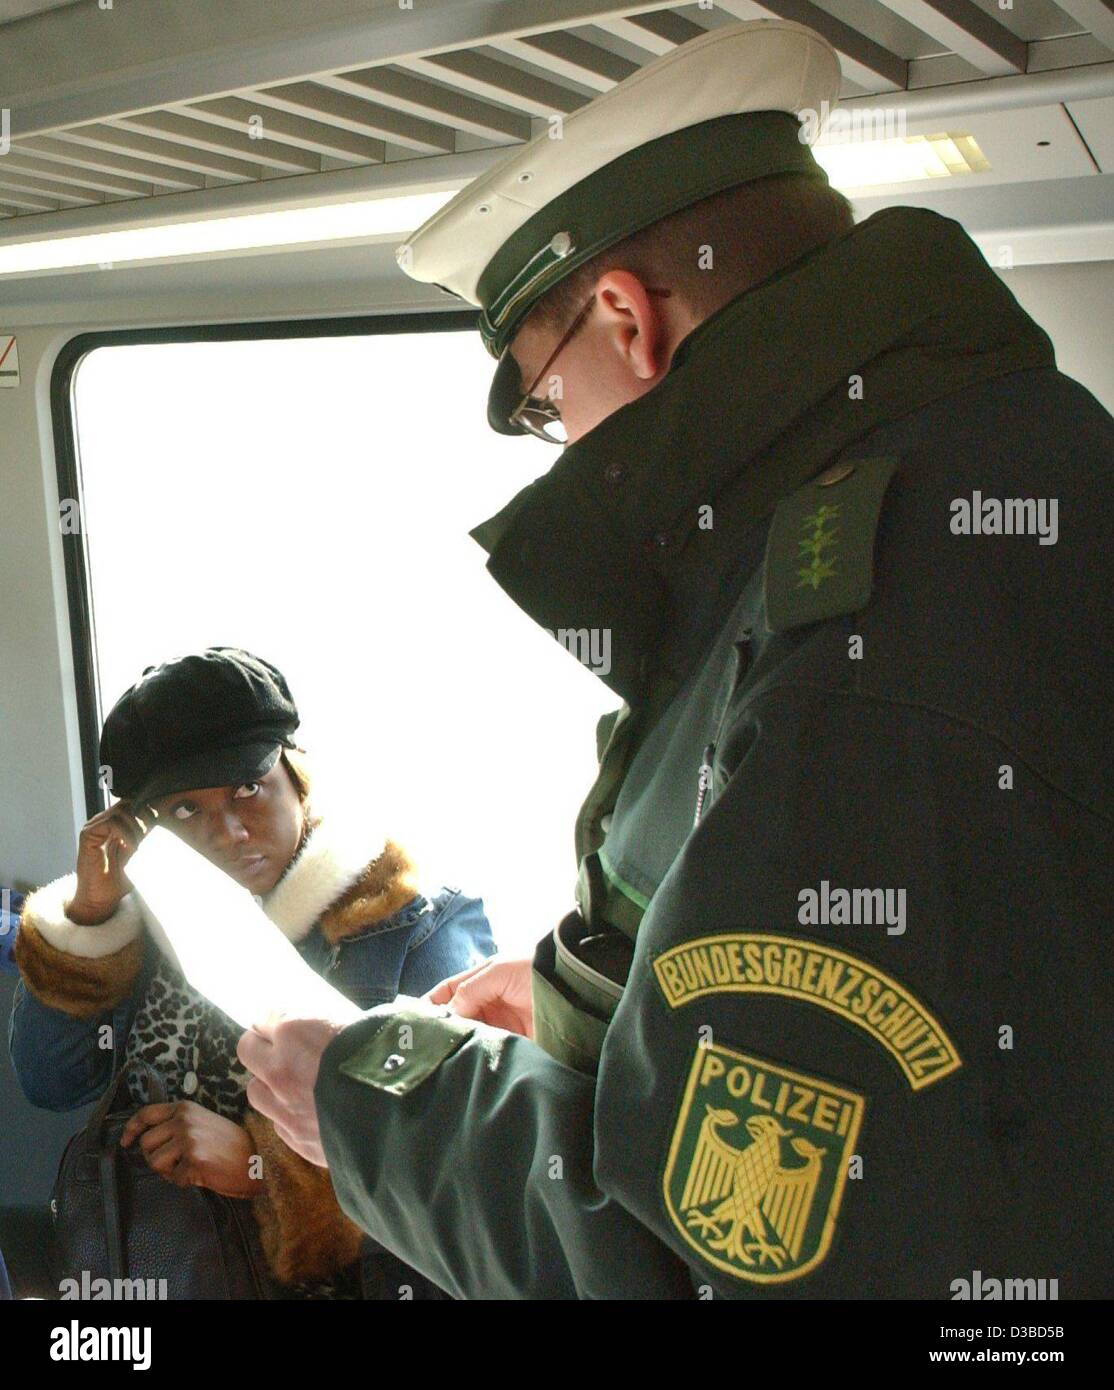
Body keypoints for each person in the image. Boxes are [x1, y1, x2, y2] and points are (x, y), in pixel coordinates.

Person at [237, 19, 1113, 1298]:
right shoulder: (996, 457)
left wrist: (373, 1109)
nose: (561, 432)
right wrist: (604, 1009)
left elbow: (713, 1256)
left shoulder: (857, 657)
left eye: (541, 399)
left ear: (625, 316)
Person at [9, 648, 494, 1298]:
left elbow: (470, 1156)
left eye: (247, 788)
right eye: (185, 810)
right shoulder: (145, 930)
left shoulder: (407, 926)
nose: (228, 831)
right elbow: (50, 1081)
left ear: (296, 777)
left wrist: (265, 1169)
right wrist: (88, 918)